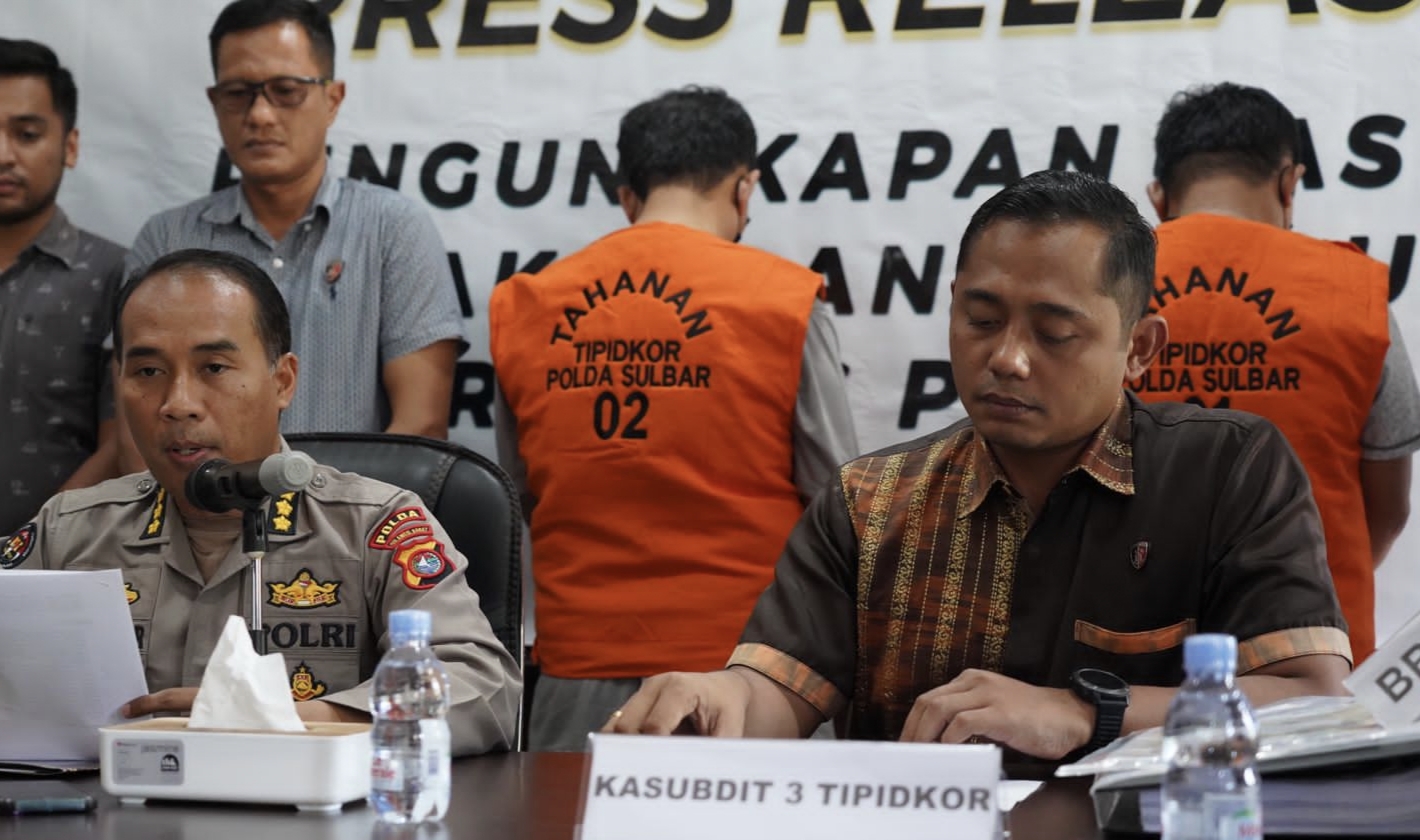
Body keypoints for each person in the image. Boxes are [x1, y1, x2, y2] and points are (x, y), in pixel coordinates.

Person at [605, 170, 1350, 774]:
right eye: (982, 320)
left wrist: (1085, 712)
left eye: (1054, 333)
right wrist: (719, 698)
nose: (1008, 358)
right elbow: (778, 691)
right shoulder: (870, 502)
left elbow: (1310, 700)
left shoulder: (1226, 470)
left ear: (1139, 349)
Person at [1, 249, 519, 756]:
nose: (178, 404)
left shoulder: (372, 526)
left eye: (214, 367)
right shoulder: (69, 531)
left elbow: (483, 687)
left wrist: (296, 719)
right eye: (149, 372)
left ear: (283, 381)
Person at [488, 86, 857, 750]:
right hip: (745, 679)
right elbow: (839, 500)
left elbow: (519, 491)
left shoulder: (525, 306)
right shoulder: (784, 301)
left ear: (628, 196)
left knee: (568, 809)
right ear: (744, 189)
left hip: (577, 674)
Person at [1135, 82, 1420, 662]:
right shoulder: (1354, 294)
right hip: (1316, 658)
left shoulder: (1099, 288)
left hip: (1126, 650)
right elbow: (1388, 510)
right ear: (1290, 182)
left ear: (1159, 197)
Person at [122, 0, 466, 445]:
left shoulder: (393, 231)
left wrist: (326, 494)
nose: (260, 115)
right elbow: (137, 435)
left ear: (332, 99)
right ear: (215, 102)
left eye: (286, 90)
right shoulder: (167, 240)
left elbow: (420, 429)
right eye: (238, 93)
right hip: (197, 493)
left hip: (358, 494)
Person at [0, 39, 126, 533]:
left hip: (61, 558)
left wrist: (33, 544)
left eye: (26, 134)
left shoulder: (113, 274)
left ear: (69, 146)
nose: (3, 155)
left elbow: (122, 445)